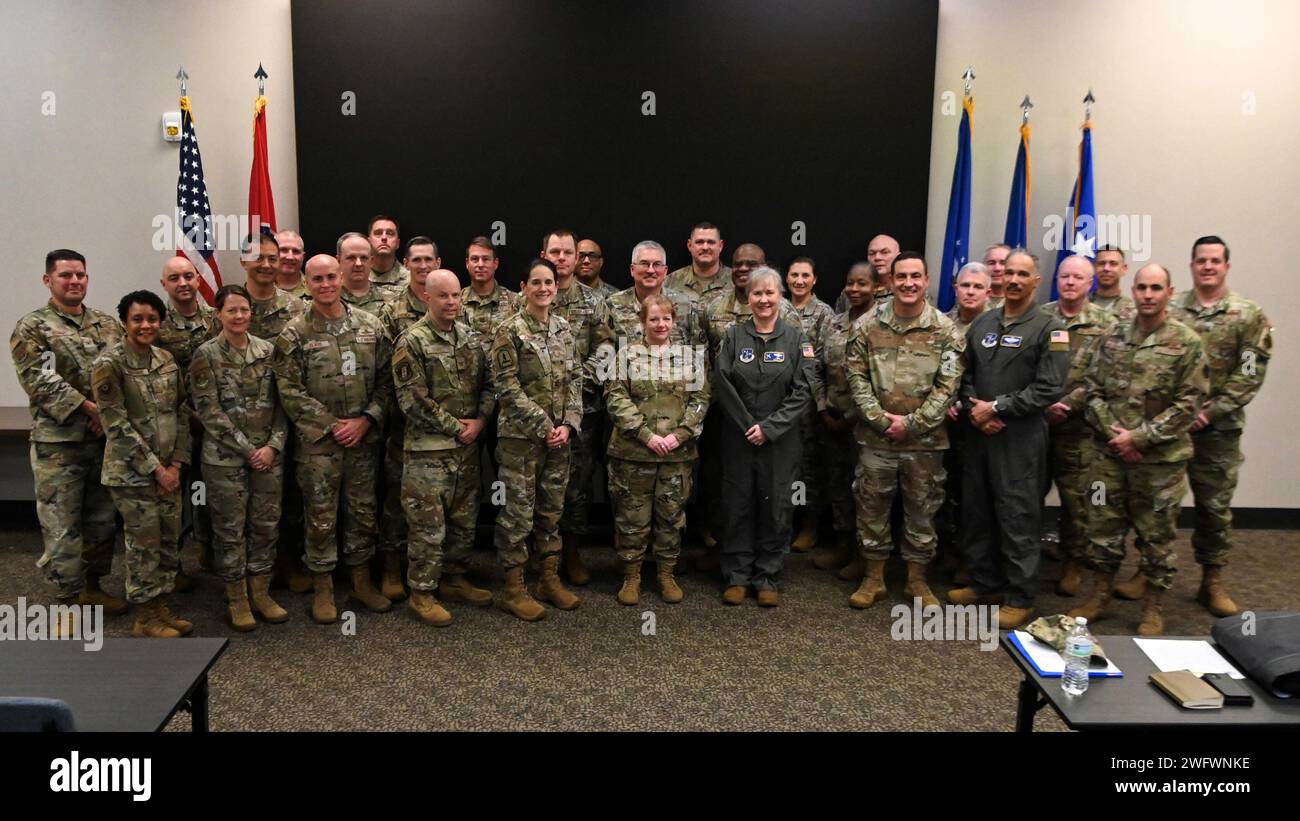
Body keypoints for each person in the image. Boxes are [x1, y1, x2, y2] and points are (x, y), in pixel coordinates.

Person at [1070, 264, 1209, 635]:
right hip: (1109, 455)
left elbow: (1189, 403)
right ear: (1133, 291)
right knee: (1102, 527)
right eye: (1142, 288)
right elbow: (1092, 389)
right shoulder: (1111, 336)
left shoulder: (1187, 343)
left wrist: (1140, 438)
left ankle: (1153, 607)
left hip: (1160, 461)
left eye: (1156, 288)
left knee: (1157, 535)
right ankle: (1099, 596)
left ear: (1169, 292)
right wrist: (1115, 435)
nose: (1148, 294)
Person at [948, 250, 1069, 629]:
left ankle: (1020, 595)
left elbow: (1049, 387)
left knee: (1017, 514)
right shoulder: (983, 324)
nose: (1014, 279)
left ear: (1036, 281)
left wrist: (998, 408)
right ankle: (985, 583)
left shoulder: (1051, 329)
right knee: (977, 510)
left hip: (1021, 438)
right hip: (980, 435)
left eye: (1023, 274)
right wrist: (975, 411)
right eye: (1010, 273)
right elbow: (965, 376)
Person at [272, 254, 395, 623]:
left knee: (362, 512)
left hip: (362, 440)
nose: (325, 284)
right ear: (306, 283)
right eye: (317, 279)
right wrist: (331, 424)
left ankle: (360, 582)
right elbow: (288, 390)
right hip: (318, 446)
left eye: (331, 277)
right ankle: (323, 586)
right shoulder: (294, 333)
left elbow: (389, 381)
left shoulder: (371, 326)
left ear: (341, 278)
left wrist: (366, 421)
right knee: (320, 516)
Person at [10, 249, 126, 632]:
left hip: (101, 440)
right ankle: (65, 603)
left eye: (80, 275)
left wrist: (105, 414)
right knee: (62, 524)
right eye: (65, 276)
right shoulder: (33, 327)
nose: (74, 281)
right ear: (49, 280)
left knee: (101, 520)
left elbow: (121, 373)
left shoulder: (108, 325)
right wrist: (90, 409)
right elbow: (40, 380)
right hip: (59, 443)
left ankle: (92, 588)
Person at [845, 252, 964, 610]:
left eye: (916, 276)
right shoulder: (867, 325)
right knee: (871, 506)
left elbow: (949, 385)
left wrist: (912, 425)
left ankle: (917, 580)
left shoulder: (945, 330)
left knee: (923, 508)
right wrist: (881, 420)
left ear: (926, 281)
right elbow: (856, 376)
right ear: (891, 282)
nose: (909, 283)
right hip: (876, 437)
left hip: (925, 442)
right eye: (902, 277)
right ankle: (874, 578)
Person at [1168, 235, 1272, 616]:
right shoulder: (1173, 309)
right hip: (1173, 428)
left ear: (1226, 265)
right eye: (1201, 260)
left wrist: (1209, 413)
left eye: (1215, 260)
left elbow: (1249, 374)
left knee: (1214, 508)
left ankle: (1212, 580)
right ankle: (1151, 573)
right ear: (1192, 265)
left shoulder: (1247, 315)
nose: (1207, 266)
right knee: (1159, 506)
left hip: (1219, 431)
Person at [393, 270, 495, 626]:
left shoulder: (470, 338)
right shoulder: (412, 341)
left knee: (464, 522)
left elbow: (489, 385)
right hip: (428, 453)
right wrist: (457, 428)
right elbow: (413, 401)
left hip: (465, 450)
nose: (452, 302)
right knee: (428, 528)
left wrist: (481, 421)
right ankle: (421, 593)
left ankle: (454, 579)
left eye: (456, 296)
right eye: (443, 296)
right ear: (427, 297)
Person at [92, 290, 193, 638]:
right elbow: (115, 424)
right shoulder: (110, 364)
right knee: (143, 544)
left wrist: (178, 463)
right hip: (132, 473)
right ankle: (145, 617)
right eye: (138, 319)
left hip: (169, 469)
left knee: (167, 541)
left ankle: (160, 606)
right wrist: (156, 468)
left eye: (152, 318)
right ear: (124, 322)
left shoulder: (165, 359)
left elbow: (180, 411)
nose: (146, 325)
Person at [189, 284, 289, 630]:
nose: (239, 316)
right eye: (231, 310)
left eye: (244, 310)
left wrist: (273, 446)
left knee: (265, 526)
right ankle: (237, 599)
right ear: (218, 314)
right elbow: (209, 411)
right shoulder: (206, 354)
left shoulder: (268, 351)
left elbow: (282, 403)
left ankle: (261, 592)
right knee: (229, 530)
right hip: (225, 459)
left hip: (268, 457)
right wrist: (248, 450)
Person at [713, 267, 815, 606]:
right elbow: (722, 383)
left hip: (780, 441)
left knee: (777, 506)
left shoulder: (796, 339)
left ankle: (767, 575)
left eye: (770, 293)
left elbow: (804, 391)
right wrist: (747, 425)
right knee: (738, 504)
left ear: (780, 296)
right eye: (757, 293)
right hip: (739, 438)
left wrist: (769, 428)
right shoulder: (733, 336)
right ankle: (737, 576)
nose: (764, 299)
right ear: (749, 297)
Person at [490, 258, 584, 620]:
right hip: (521, 440)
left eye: (550, 282)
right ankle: (514, 589)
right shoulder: (509, 331)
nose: (544, 288)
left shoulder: (563, 329)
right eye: (537, 283)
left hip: (559, 440)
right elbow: (506, 387)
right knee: (517, 514)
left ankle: (548, 579)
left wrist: (570, 424)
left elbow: (575, 378)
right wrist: (544, 425)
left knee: (550, 511)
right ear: (523, 287)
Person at [605, 294, 709, 605]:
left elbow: (701, 401)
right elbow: (615, 399)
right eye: (653, 319)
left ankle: (666, 573)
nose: (660, 324)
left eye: (665, 318)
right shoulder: (625, 357)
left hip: (676, 455)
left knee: (671, 516)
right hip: (633, 453)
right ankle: (632, 575)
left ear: (673, 322)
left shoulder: (690, 359)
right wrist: (646, 435)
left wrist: (680, 435)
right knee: (631, 518)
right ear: (642, 322)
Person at [1041, 256, 1117, 595]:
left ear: (1091, 284)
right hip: (1037, 424)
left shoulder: (1107, 323)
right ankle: (1027, 559)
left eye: (1078, 277)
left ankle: (1073, 563)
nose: (1070, 282)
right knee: (1027, 495)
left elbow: (1107, 374)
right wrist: (1041, 403)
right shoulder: (1041, 317)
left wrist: (1069, 404)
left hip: (1081, 427)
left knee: (1077, 501)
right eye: (1064, 276)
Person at [543, 229, 611, 585]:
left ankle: (571, 554)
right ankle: (540, 561)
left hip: (582, 413)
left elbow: (605, 353)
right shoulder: (531, 296)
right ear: (545, 254)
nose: (562, 258)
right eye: (555, 251)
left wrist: (569, 387)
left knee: (576, 487)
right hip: (536, 414)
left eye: (567, 252)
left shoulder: (594, 301)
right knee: (536, 488)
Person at [242, 232, 308, 592]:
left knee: (290, 496)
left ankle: (287, 560)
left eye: (272, 257)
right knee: (241, 504)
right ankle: (242, 580)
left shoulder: (297, 307)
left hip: (289, 416)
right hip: (241, 423)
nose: (266, 264)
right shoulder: (232, 305)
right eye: (259, 258)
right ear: (243, 261)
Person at [374, 237, 438, 602]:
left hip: (443, 427)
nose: (423, 265)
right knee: (398, 499)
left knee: (437, 503)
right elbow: (383, 368)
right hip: (403, 424)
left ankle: (435, 572)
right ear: (407, 263)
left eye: (429, 259)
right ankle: (392, 569)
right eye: (416, 260)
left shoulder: (449, 300)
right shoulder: (391, 309)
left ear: (438, 261)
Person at [156, 256, 217, 589]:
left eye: (188, 276)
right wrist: (186, 414)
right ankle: (173, 564)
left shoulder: (215, 318)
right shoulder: (156, 324)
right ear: (163, 284)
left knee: (206, 490)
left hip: (212, 423)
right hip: (174, 424)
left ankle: (208, 548)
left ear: (198, 280)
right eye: (174, 278)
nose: (183, 283)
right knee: (175, 498)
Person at [811, 263, 875, 573]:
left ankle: (865, 557)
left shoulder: (881, 324)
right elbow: (818, 368)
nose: (854, 289)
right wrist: (823, 408)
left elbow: (878, 381)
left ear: (875, 286)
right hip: (832, 419)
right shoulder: (833, 324)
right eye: (850, 283)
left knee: (864, 489)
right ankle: (844, 547)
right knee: (837, 487)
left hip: (864, 422)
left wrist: (850, 416)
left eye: (862, 283)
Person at [786, 257, 834, 553]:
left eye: (805, 275)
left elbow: (824, 361)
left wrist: (821, 402)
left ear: (814, 279)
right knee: (787, 465)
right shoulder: (778, 306)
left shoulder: (824, 313)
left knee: (810, 466)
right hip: (782, 398)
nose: (800, 280)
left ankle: (809, 525)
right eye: (794, 275)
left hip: (810, 399)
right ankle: (786, 521)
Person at [460, 236, 519, 341]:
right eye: (475, 259)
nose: (480, 264)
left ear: (495, 263)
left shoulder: (515, 302)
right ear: (467, 263)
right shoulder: (456, 302)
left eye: (486, 259)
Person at [667, 221, 732, 302]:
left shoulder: (735, 283)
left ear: (720, 246)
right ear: (690, 245)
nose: (705, 247)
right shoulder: (669, 283)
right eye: (699, 242)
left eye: (711, 242)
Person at [835, 234, 899, 313]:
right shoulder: (851, 291)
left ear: (898, 256)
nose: (877, 258)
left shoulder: (903, 291)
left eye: (884, 252)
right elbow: (838, 322)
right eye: (872, 253)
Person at [339, 231, 391, 316]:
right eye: (351, 258)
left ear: (371, 261)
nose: (358, 264)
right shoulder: (329, 299)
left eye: (364, 258)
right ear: (338, 260)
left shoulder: (392, 300)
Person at [368, 215, 411, 301]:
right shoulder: (357, 275)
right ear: (368, 242)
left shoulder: (411, 281)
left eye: (390, 233)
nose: (384, 238)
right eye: (378, 233)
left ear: (397, 243)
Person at [1091, 245, 1135, 322]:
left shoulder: (1134, 310)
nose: (1106, 268)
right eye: (1101, 263)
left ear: (1124, 269)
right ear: (1094, 268)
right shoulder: (1080, 306)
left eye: (1113, 263)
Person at [946, 262, 991, 335]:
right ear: (956, 290)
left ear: (987, 294)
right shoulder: (941, 322)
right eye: (965, 285)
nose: (970, 292)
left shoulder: (997, 325)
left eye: (978, 287)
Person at [275, 229, 310, 300]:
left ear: (303, 257)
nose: (290, 257)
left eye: (296, 251)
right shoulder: (260, 288)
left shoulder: (316, 287)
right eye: (283, 250)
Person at [982, 244, 1011, 310]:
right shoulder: (972, 300)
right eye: (991, 263)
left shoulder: (1020, 303)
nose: (997, 268)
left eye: (1003, 263)